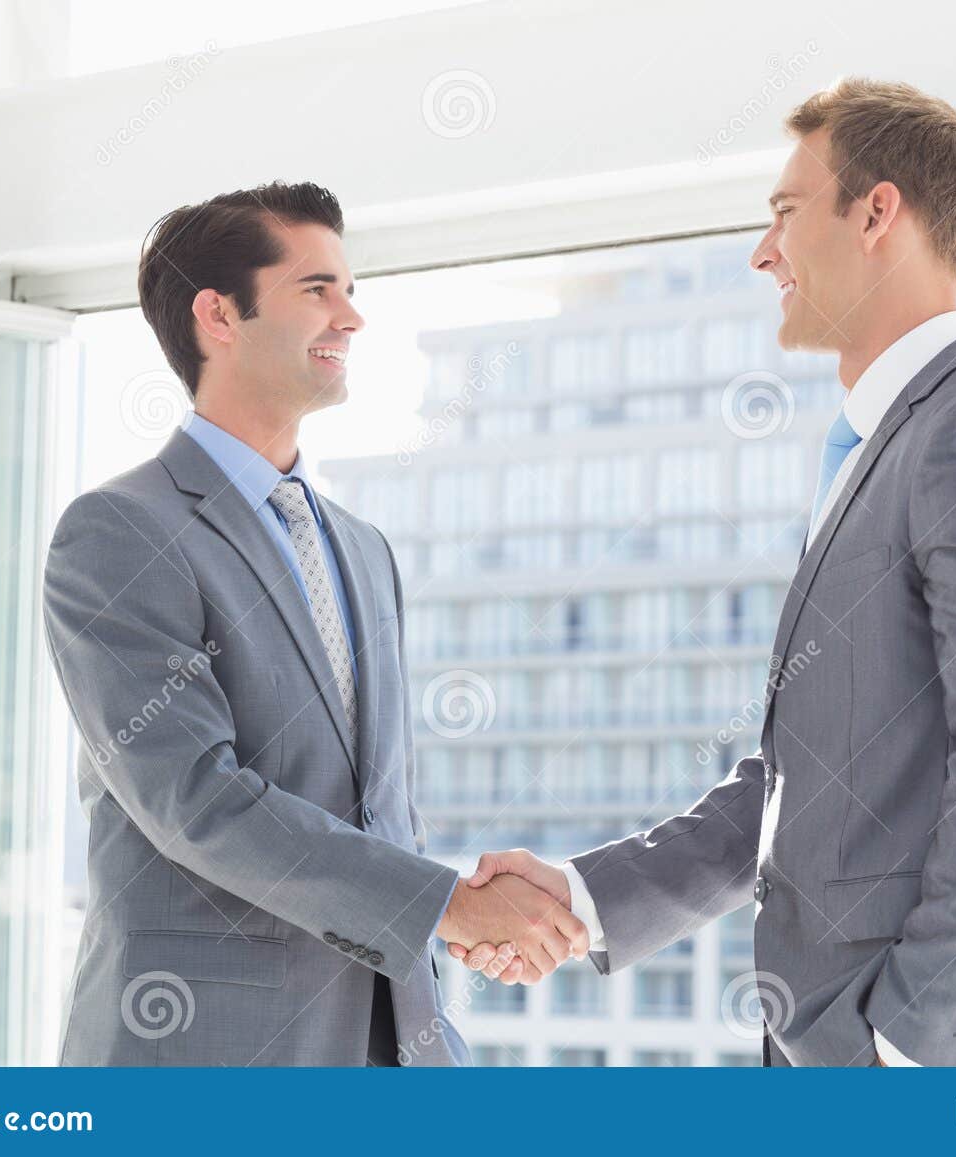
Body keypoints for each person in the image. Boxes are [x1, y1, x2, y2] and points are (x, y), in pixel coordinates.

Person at [453, 80, 956, 1067]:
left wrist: (913, 1037)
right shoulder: (883, 446)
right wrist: (583, 895)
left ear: (876, 212)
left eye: (783, 213)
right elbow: (805, 785)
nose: (763, 251)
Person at [44, 181, 585, 1066]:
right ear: (219, 316)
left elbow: (381, 811)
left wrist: (450, 944)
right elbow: (198, 801)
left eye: (352, 290)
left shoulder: (362, 548)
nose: (352, 318)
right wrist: (446, 902)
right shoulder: (119, 532)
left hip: (387, 1044)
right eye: (317, 290)